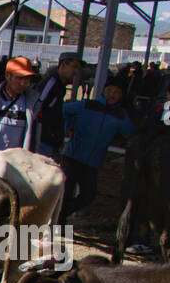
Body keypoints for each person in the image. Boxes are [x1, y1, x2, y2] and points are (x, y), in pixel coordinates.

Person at [58, 77, 138, 224]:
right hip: (72, 155)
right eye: (109, 90)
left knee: (88, 195)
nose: (112, 94)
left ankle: (59, 214)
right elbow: (64, 110)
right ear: (103, 91)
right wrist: (69, 127)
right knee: (65, 192)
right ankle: (58, 222)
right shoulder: (87, 104)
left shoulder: (121, 115)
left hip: (94, 161)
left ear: (122, 95)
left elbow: (132, 134)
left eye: (117, 92)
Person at [35, 52, 82, 159]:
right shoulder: (51, 83)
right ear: (63, 65)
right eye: (74, 67)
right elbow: (36, 106)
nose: (76, 72)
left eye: (78, 68)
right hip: (41, 142)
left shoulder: (59, 86)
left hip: (48, 141)